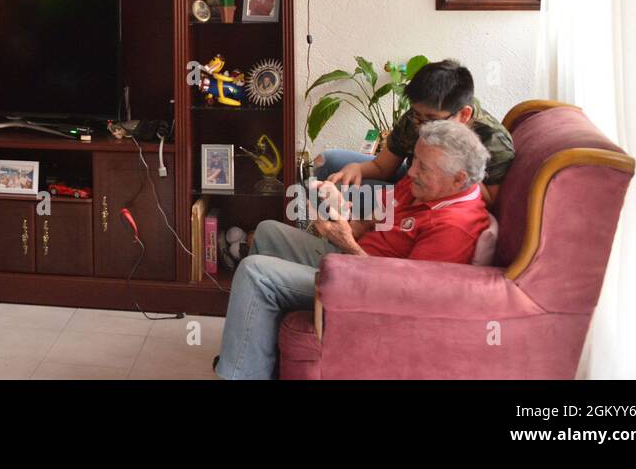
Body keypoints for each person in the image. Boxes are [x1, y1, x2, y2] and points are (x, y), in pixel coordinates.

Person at [214, 120, 491, 379]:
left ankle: (239, 373)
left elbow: (403, 296)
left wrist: (347, 242)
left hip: (364, 287)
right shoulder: (430, 186)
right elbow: (384, 207)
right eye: (415, 160)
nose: (412, 171)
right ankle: (254, 357)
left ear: (459, 178)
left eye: (423, 167)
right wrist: (347, 215)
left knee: (255, 273)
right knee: (267, 231)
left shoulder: (455, 228)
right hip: (354, 260)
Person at [315, 59, 515, 206]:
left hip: (430, 197)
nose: (422, 126)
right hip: (409, 182)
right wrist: (357, 169)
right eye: (418, 115)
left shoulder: (493, 140)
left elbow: (489, 204)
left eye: (432, 119)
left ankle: (336, 250)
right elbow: (382, 167)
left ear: (463, 115)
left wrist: (450, 166)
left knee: (339, 194)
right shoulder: (416, 118)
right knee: (328, 163)